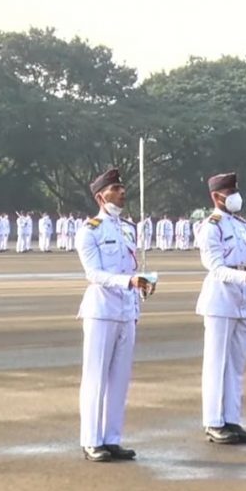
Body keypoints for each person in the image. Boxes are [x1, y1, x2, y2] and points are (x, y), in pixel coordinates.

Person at [75, 168, 148, 462]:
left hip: (126, 310)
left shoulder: (129, 229)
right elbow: (93, 274)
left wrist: (138, 291)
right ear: (100, 196)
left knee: (120, 379)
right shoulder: (90, 230)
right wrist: (126, 282)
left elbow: (131, 270)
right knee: (96, 377)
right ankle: (92, 441)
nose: (121, 192)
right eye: (115, 188)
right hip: (101, 310)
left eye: (122, 187)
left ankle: (112, 438)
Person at [195, 172, 246, 445]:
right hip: (220, 298)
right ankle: (213, 422)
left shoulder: (240, 224)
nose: (235, 195)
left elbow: (241, 263)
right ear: (216, 196)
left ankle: (232, 419)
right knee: (216, 364)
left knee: (236, 364)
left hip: (242, 297)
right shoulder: (210, 226)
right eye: (229, 191)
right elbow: (215, 267)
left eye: (235, 190)